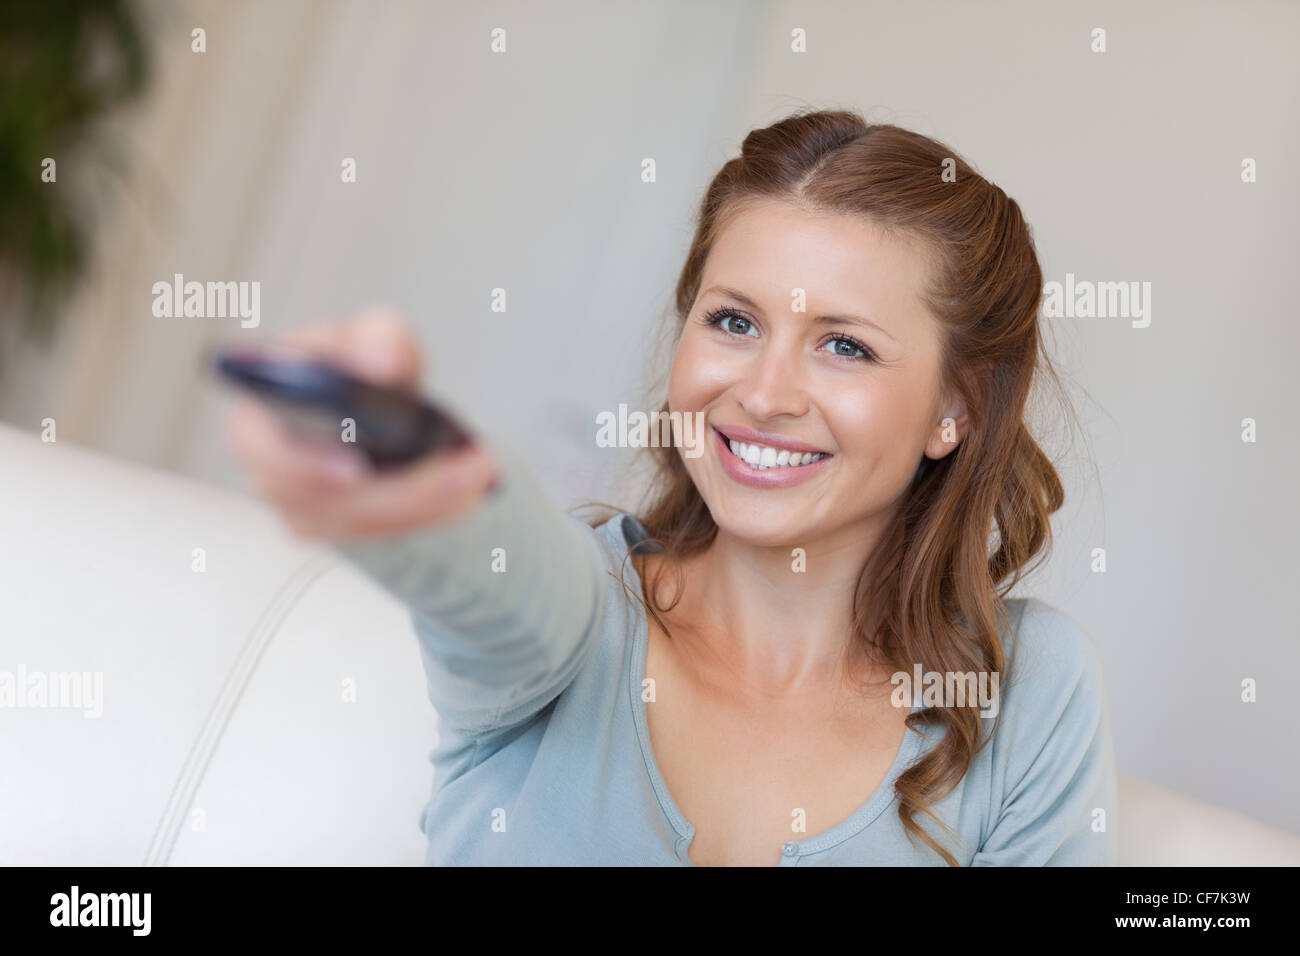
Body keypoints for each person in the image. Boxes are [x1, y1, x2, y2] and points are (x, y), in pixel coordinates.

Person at [225, 108, 1118, 867]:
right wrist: (420, 480)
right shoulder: (582, 616)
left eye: (845, 344)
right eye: (733, 321)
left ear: (953, 408)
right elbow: (497, 569)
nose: (764, 394)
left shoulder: (1026, 692)